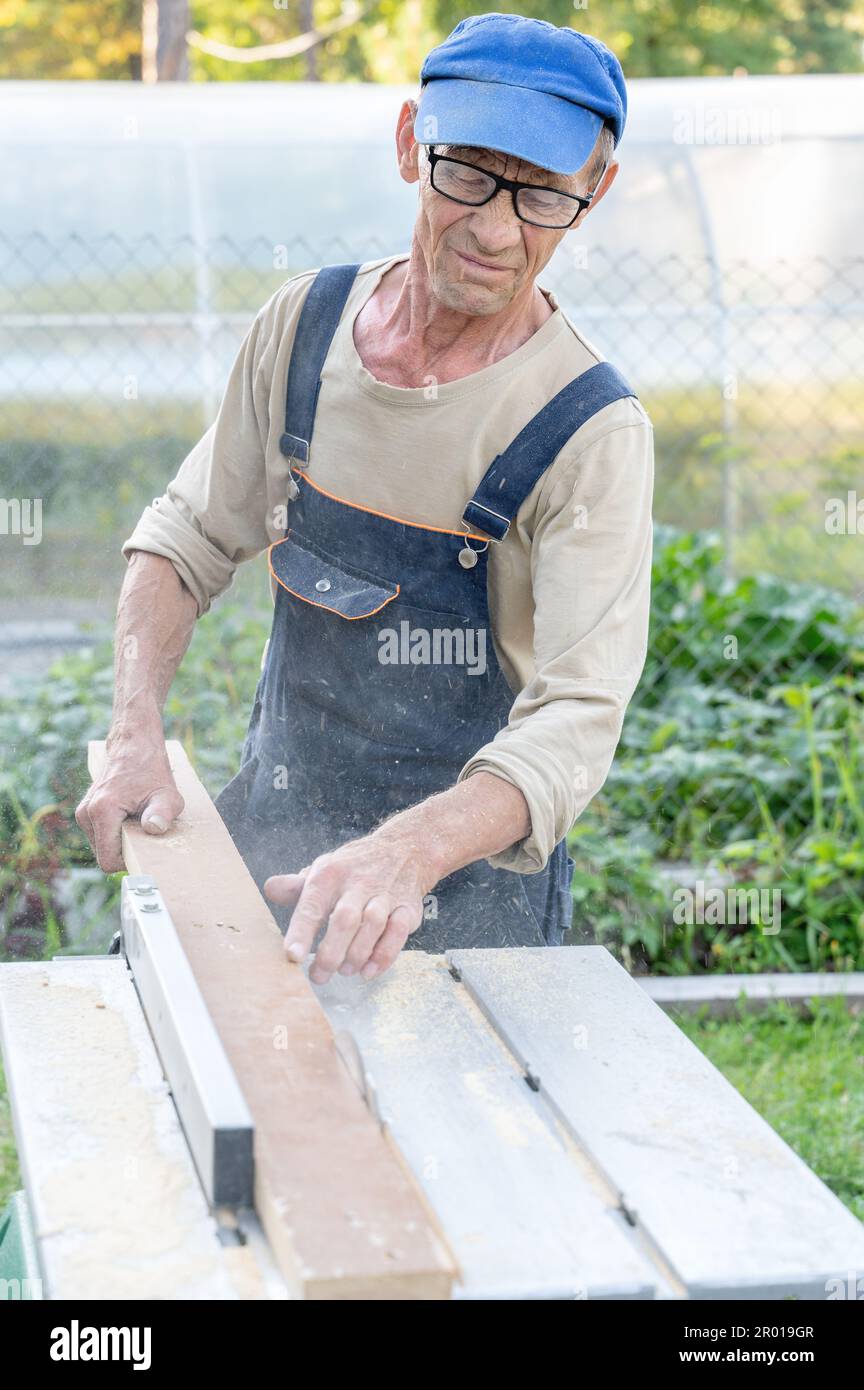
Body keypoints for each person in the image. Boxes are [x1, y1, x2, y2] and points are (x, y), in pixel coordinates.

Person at [76, 14, 654, 985]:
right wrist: (135, 733)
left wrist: (404, 856)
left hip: (465, 887)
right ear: (407, 145)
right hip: (275, 824)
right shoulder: (304, 330)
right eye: (468, 170)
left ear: (591, 195)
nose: (495, 228)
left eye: (542, 195)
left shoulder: (589, 428)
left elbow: (575, 719)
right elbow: (184, 538)